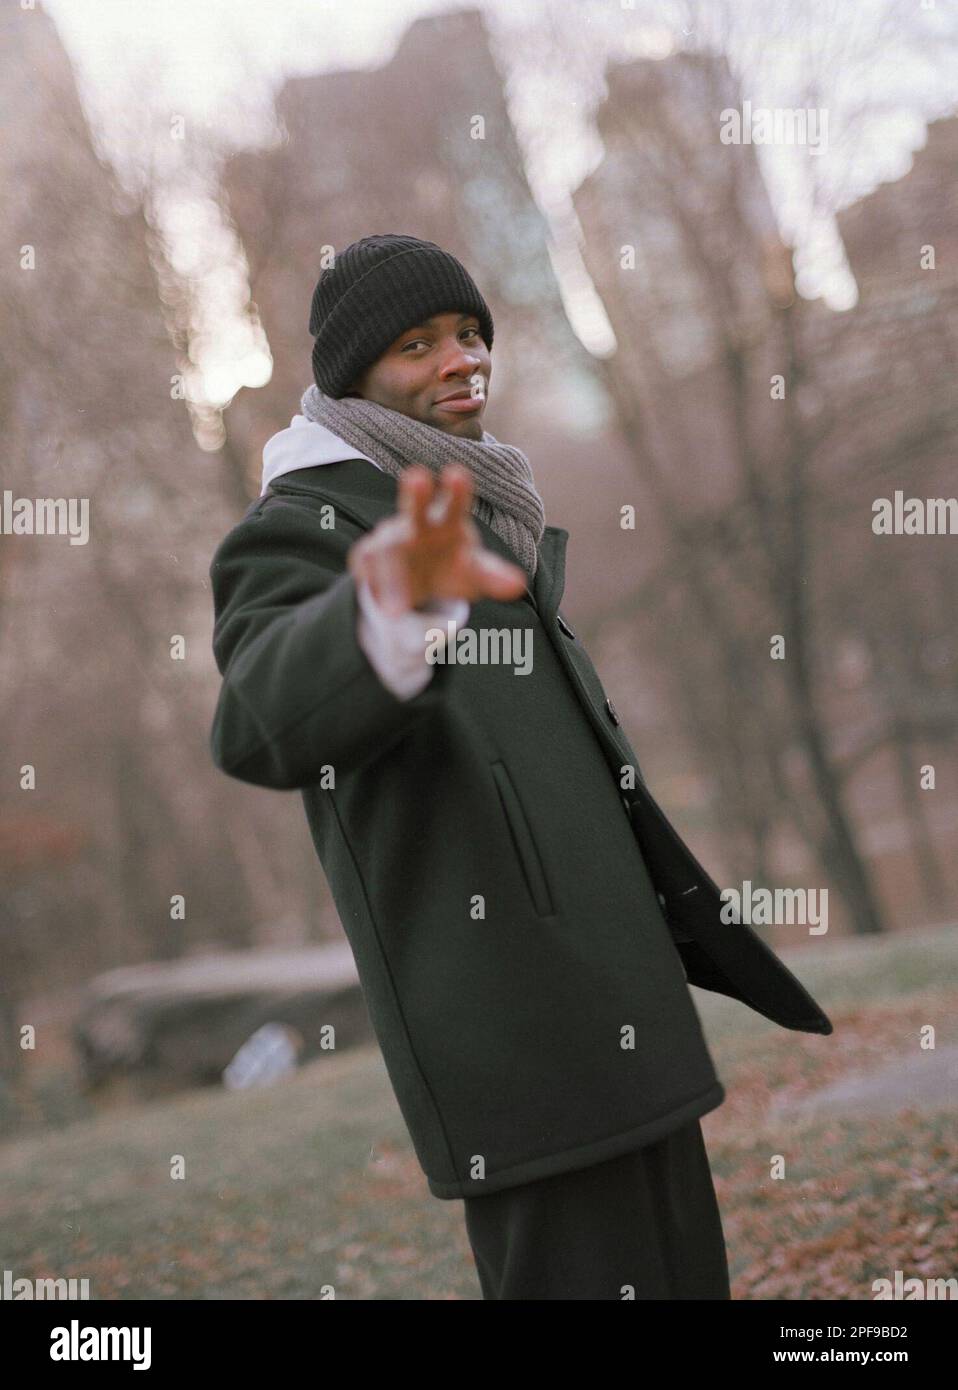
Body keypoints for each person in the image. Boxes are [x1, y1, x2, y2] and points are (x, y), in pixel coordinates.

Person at [208, 234, 832, 1300]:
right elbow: (258, 719)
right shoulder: (306, 525)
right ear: (353, 373)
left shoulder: (489, 506)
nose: (460, 361)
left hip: (626, 1013)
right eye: (417, 343)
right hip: (516, 1049)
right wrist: (390, 596)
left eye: (468, 334)